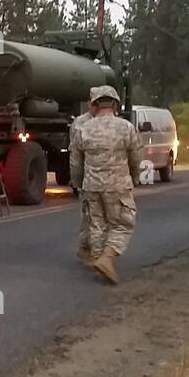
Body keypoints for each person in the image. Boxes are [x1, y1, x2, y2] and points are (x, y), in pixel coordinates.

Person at [69, 85, 141, 284]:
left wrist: (77, 183)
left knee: (97, 224)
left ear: (94, 105)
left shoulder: (83, 129)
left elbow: (75, 162)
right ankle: (107, 259)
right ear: (115, 104)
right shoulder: (125, 127)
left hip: (91, 186)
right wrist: (135, 177)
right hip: (117, 185)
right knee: (123, 224)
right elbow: (136, 156)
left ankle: (98, 260)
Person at [69, 89, 104, 265]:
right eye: (95, 103)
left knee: (97, 217)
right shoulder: (80, 123)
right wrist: (77, 180)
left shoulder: (105, 122)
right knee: (89, 216)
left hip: (103, 179)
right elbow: (75, 155)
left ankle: (91, 250)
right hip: (88, 178)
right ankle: (88, 251)